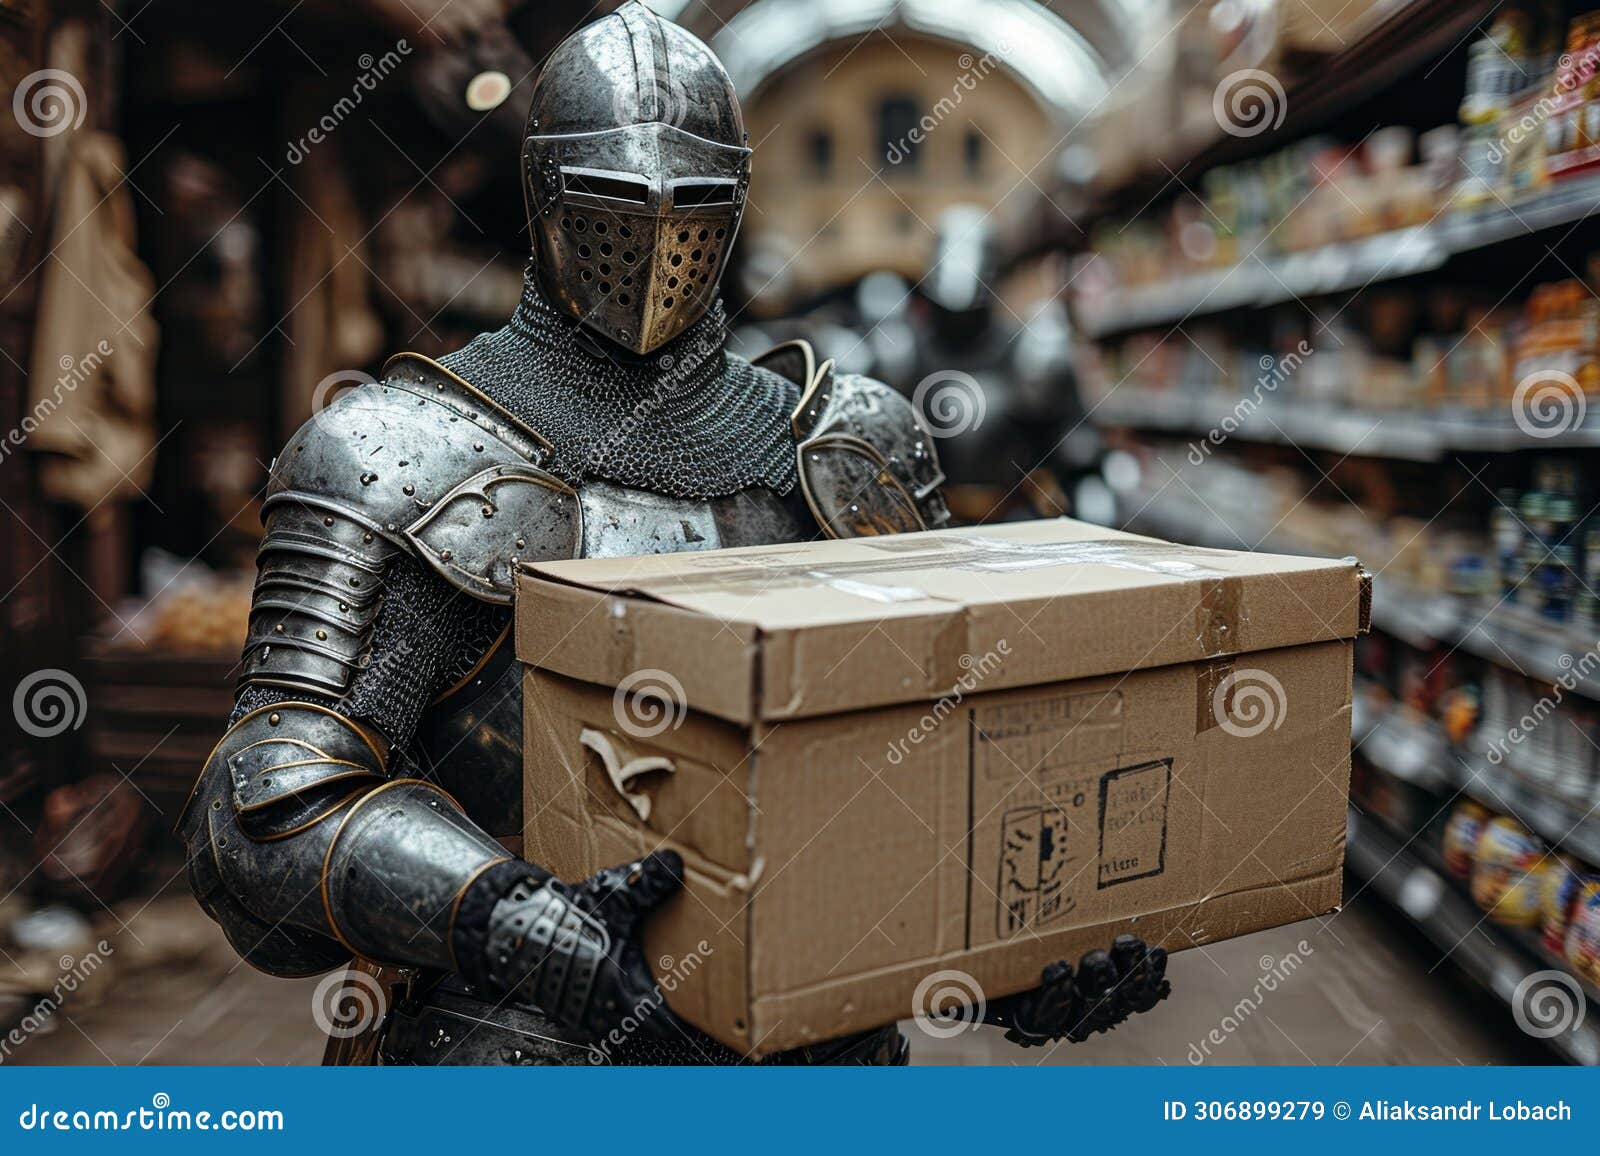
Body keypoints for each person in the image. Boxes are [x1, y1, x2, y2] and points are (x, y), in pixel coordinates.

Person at [179, 3, 1167, 1065]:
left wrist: (1008, 950)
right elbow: (261, 809)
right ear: (546, 193)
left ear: (734, 205)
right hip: (506, 1050)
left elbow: (920, 781)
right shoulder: (401, 450)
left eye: (691, 204)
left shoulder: (850, 450)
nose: (653, 240)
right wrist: (502, 914)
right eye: (612, 201)